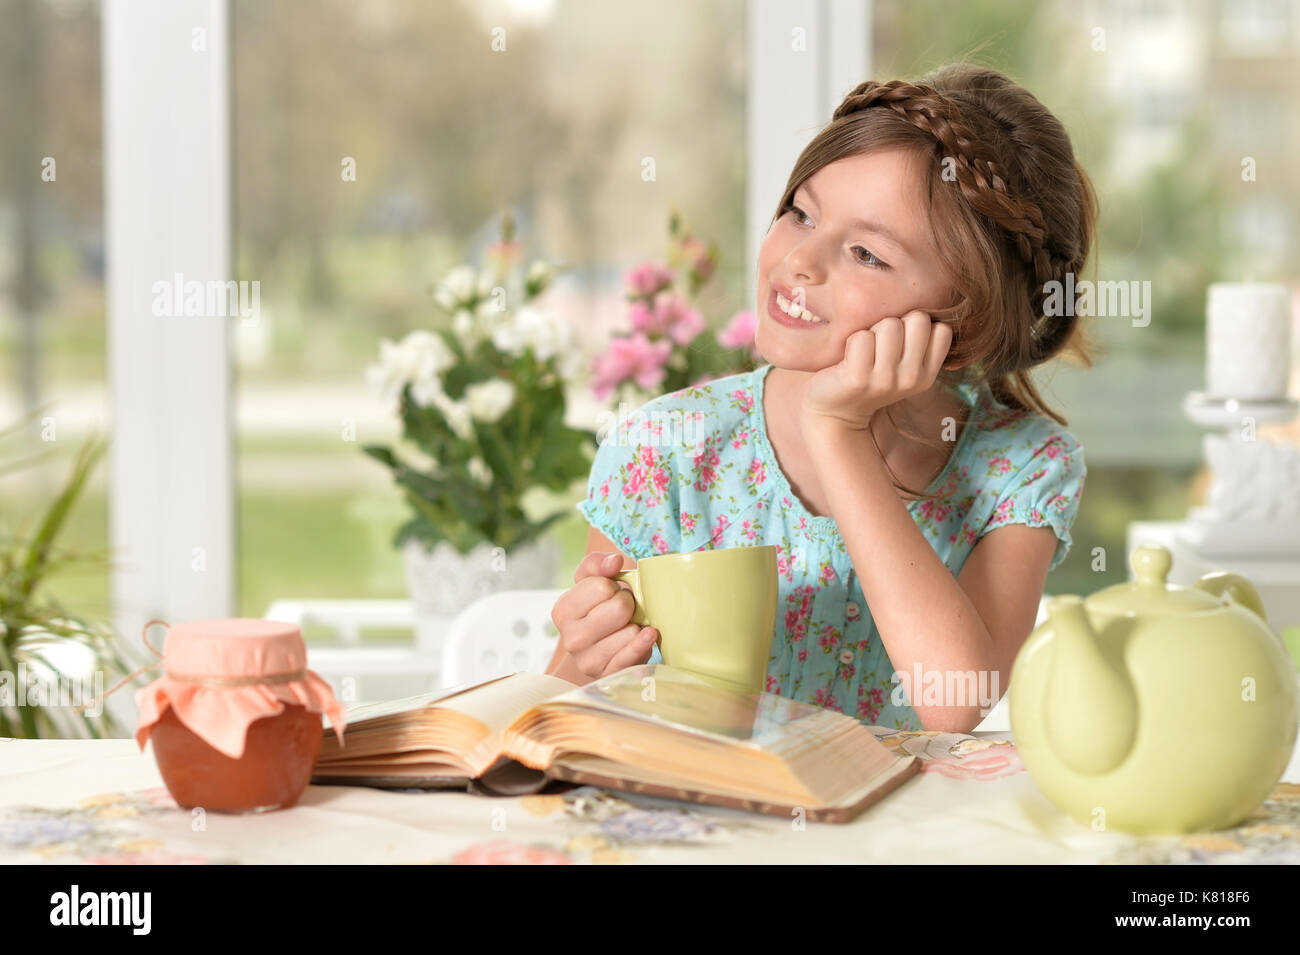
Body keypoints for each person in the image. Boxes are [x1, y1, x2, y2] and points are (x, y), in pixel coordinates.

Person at [547, 62, 1097, 735]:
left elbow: (955, 701)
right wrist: (586, 654)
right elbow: (559, 710)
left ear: (965, 322)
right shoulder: (667, 447)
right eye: (800, 212)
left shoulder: (1021, 465)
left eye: (866, 253)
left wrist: (840, 430)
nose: (801, 261)